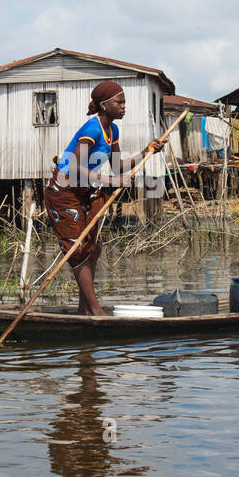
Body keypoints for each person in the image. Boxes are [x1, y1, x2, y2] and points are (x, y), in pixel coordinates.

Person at [44, 80, 164, 316]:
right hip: (64, 190)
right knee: (77, 250)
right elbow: (76, 166)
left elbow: (119, 167)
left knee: (94, 247)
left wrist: (147, 150)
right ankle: (96, 311)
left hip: (85, 190)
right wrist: (110, 181)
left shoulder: (113, 131)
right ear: (103, 104)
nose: (123, 107)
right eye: (119, 102)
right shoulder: (92, 129)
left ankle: (84, 309)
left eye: (124, 102)